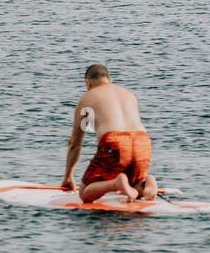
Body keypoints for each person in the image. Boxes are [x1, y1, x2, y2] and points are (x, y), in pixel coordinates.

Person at [61, 63, 158, 203]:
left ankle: (116, 183)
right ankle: (149, 183)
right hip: (142, 141)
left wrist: (68, 177)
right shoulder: (128, 94)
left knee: (85, 193)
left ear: (87, 82)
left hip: (115, 141)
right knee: (135, 184)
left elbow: (75, 144)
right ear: (110, 79)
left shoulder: (88, 97)